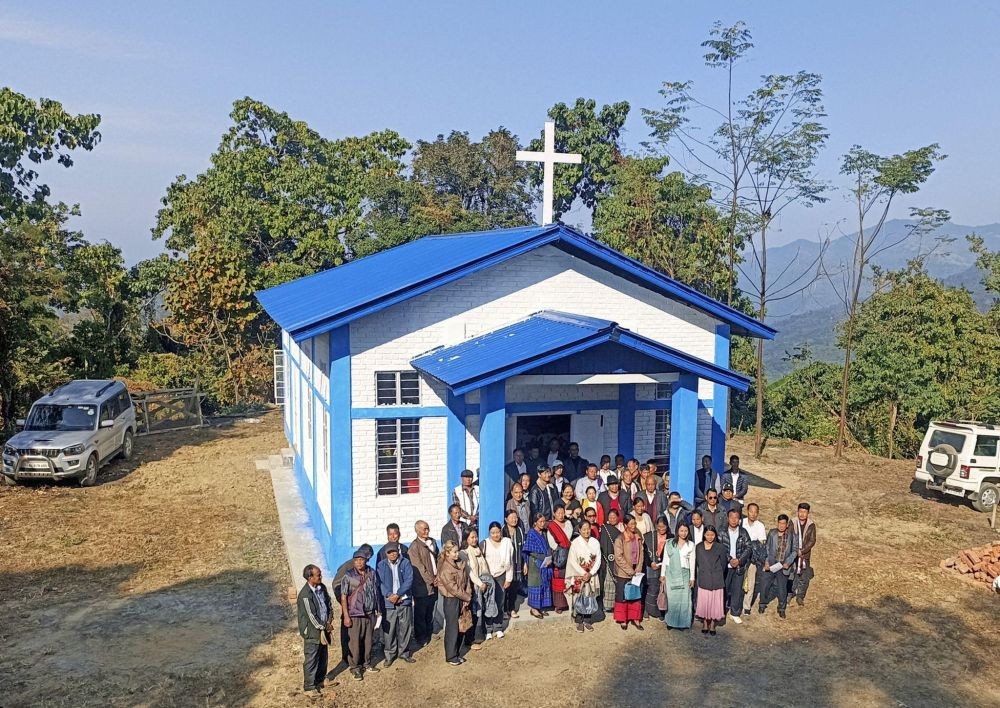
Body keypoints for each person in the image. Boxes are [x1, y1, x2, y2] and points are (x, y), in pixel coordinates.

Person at [339, 549, 381, 681]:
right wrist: (346, 616)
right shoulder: (348, 576)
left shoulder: (372, 572)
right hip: (355, 614)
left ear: (366, 560)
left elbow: (376, 591)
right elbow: (344, 596)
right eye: (356, 560)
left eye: (361, 560)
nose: (359, 562)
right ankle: (355, 667)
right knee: (354, 643)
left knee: (368, 641)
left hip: (370, 613)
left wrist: (378, 610)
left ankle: (367, 663)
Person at [332, 544, 373, 666]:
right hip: (347, 599)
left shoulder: (368, 569)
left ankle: (360, 658)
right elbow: (337, 585)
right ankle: (348, 658)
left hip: (360, 606)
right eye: (368, 557)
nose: (367, 560)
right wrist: (345, 604)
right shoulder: (349, 566)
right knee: (349, 633)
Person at [376, 542, 415, 667]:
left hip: (404, 600)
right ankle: (390, 654)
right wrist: (389, 595)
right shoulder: (381, 565)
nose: (392, 554)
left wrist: (398, 594)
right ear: (386, 554)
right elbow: (380, 583)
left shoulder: (405, 563)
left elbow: (409, 580)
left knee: (405, 628)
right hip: (389, 602)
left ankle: (404, 653)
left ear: (398, 551)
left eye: (394, 551)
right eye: (389, 552)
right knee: (389, 630)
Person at [297, 564, 333, 697]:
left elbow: (328, 603)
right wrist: (324, 626)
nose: (321, 577)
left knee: (323, 656)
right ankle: (309, 687)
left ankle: (320, 680)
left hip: (323, 629)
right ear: (310, 577)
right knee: (311, 659)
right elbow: (311, 616)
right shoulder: (305, 595)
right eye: (318, 575)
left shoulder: (321, 587)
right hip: (312, 632)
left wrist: (329, 619)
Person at [436, 540, 471, 666]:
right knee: (452, 627)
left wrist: (468, 594)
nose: (457, 554)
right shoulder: (445, 568)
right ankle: (451, 656)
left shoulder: (460, 563)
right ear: (447, 553)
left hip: (462, 597)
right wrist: (467, 597)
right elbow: (453, 588)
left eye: (458, 551)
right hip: (451, 600)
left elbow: (466, 581)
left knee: (461, 626)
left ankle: (457, 653)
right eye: (454, 552)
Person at [758, 514, 798, 618]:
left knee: (782, 589)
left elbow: (794, 551)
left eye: (783, 523)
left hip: (783, 565)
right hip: (771, 564)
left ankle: (781, 608)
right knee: (764, 585)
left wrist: (788, 562)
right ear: (777, 523)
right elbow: (767, 548)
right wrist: (766, 561)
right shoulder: (772, 533)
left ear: (787, 525)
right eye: (780, 523)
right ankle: (762, 604)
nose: (781, 525)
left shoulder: (792, 536)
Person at [565, 519, 601, 632]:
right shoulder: (575, 543)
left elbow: (598, 560)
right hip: (578, 575)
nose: (586, 531)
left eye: (588, 529)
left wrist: (590, 573)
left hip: (591, 574)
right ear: (579, 530)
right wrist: (583, 573)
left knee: (589, 597)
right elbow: (572, 561)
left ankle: (587, 620)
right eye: (584, 529)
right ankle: (579, 621)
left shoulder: (595, 542)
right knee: (578, 597)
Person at [718, 509, 752, 625]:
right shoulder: (722, 532)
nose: (733, 520)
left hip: (739, 566)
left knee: (737, 590)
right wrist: (729, 559)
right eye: (731, 517)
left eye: (736, 517)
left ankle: (735, 613)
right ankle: (721, 612)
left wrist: (739, 560)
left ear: (739, 519)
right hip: (726, 566)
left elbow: (748, 547)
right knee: (724, 590)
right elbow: (720, 547)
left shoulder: (743, 532)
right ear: (728, 518)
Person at [408, 521, 438, 648]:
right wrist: (431, 580)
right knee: (421, 612)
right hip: (421, 586)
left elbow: (437, 559)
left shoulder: (432, 542)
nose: (427, 531)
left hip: (435, 584)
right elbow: (419, 567)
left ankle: (429, 633)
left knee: (431, 610)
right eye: (424, 529)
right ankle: (420, 637)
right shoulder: (414, 547)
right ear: (417, 531)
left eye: (428, 528)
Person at [612, 514, 645, 630]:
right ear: (625, 525)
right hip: (623, 572)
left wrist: (639, 568)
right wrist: (630, 571)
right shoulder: (619, 539)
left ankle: (635, 618)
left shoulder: (637, 537)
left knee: (636, 595)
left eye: (634, 523)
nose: (633, 526)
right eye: (631, 524)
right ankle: (623, 619)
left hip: (636, 571)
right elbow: (618, 557)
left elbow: (641, 553)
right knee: (623, 596)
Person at [482, 521, 514, 639]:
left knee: (499, 602)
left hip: (501, 576)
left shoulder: (506, 543)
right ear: (489, 533)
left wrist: (508, 579)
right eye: (493, 533)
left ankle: (498, 627)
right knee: (488, 603)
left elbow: (510, 562)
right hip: (488, 578)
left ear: (501, 532)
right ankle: (488, 629)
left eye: (497, 532)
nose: (495, 535)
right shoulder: (485, 543)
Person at [661, 523, 695, 629]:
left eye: (686, 531)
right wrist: (662, 574)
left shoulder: (691, 545)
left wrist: (692, 578)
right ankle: (670, 622)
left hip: (685, 574)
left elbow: (692, 562)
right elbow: (665, 559)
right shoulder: (669, 543)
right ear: (677, 531)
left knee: (684, 599)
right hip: (671, 573)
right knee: (671, 599)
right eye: (681, 531)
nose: (683, 533)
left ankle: (682, 623)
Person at [461, 529, 490, 647]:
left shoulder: (478, 550)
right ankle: (469, 639)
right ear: (466, 538)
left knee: (479, 611)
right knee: (472, 613)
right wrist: (480, 583)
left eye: (476, 537)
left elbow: (484, 567)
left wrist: (487, 580)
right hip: (472, 586)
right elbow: (470, 571)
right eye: (472, 537)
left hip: (481, 585)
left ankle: (475, 635)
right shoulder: (464, 553)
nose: (475, 539)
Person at [695, 526, 726, 635]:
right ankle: (705, 623)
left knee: (714, 602)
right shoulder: (699, 547)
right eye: (708, 534)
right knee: (704, 601)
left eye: (712, 535)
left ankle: (712, 624)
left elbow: (723, 563)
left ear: (715, 535)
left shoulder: (720, 547)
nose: (710, 537)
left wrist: (717, 573)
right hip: (704, 578)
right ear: (704, 534)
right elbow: (698, 562)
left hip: (716, 579)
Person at [523, 512, 554, 618]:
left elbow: (548, 546)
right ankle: (534, 608)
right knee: (535, 585)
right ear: (535, 522)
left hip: (546, 563)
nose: (542, 523)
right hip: (535, 564)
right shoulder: (531, 533)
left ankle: (541, 606)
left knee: (544, 584)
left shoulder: (544, 533)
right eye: (540, 521)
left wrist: (549, 556)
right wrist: (543, 558)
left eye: (544, 521)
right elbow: (530, 550)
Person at [740, 503, 767, 616]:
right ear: (747, 511)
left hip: (752, 558)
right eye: (751, 511)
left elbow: (761, 543)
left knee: (751, 582)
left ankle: (746, 606)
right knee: (739, 581)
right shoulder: (741, 523)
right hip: (741, 556)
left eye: (755, 512)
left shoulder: (760, 526)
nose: (753, 514)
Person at [547, 504, 573, 613]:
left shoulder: (568, 523)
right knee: (558, 579)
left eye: (563, 513)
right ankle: (559, 605)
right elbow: (552, 543)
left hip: (569, 553)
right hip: (558, 554)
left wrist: (565, 546)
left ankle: (568, 602)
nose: (561, 515)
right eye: (558, 513)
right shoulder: (551, 526)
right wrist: (560, 549)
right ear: (554, 514)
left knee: (568, 578)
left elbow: (569, 537)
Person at [791, 502, 817, 606]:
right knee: (792, 575)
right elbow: (790, 537)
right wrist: (796, 550)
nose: (802, 514)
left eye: (804, 512)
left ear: (808, 513)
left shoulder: (811, 525)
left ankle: (800, 596)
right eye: (800, 511)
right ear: (797, 512)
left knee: (804, 577)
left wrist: (802, 551)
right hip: (793, 554)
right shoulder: (793, 522)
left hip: (804, 555)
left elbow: (812, 540)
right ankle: (790, 593)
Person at [644, 516, 670, 620]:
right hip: (652, 567)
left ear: (667, 526)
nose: (661, 529)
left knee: (663, 591)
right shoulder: (649, 536)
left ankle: (661, 612)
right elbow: (645, 552)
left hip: (666, 568)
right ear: (655, 526)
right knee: (652, 589)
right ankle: (648, 610)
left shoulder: (671, 537)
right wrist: (650, 563)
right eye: (659, 527)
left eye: (663, 527)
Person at [502, 509, 526, 618]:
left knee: (514, 588)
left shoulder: (520, 530)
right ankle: (504, 610)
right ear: (506, 519)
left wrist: (525, 563)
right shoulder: (502, 531)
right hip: (506, 565)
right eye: (511, 518)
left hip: (517, 563)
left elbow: (524, 549)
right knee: (505, 588)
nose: (514, 520)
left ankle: (511, 609)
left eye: (515, 517)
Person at [598, 508, 622, 614]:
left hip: (620, 558)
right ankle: (608, 605)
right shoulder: (604, 528)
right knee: (609, 582)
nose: (612, 519)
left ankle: (618, 604)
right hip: (608, 559)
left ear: (618, 517)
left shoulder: (622, 528)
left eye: (614, 517)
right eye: (610, 517)